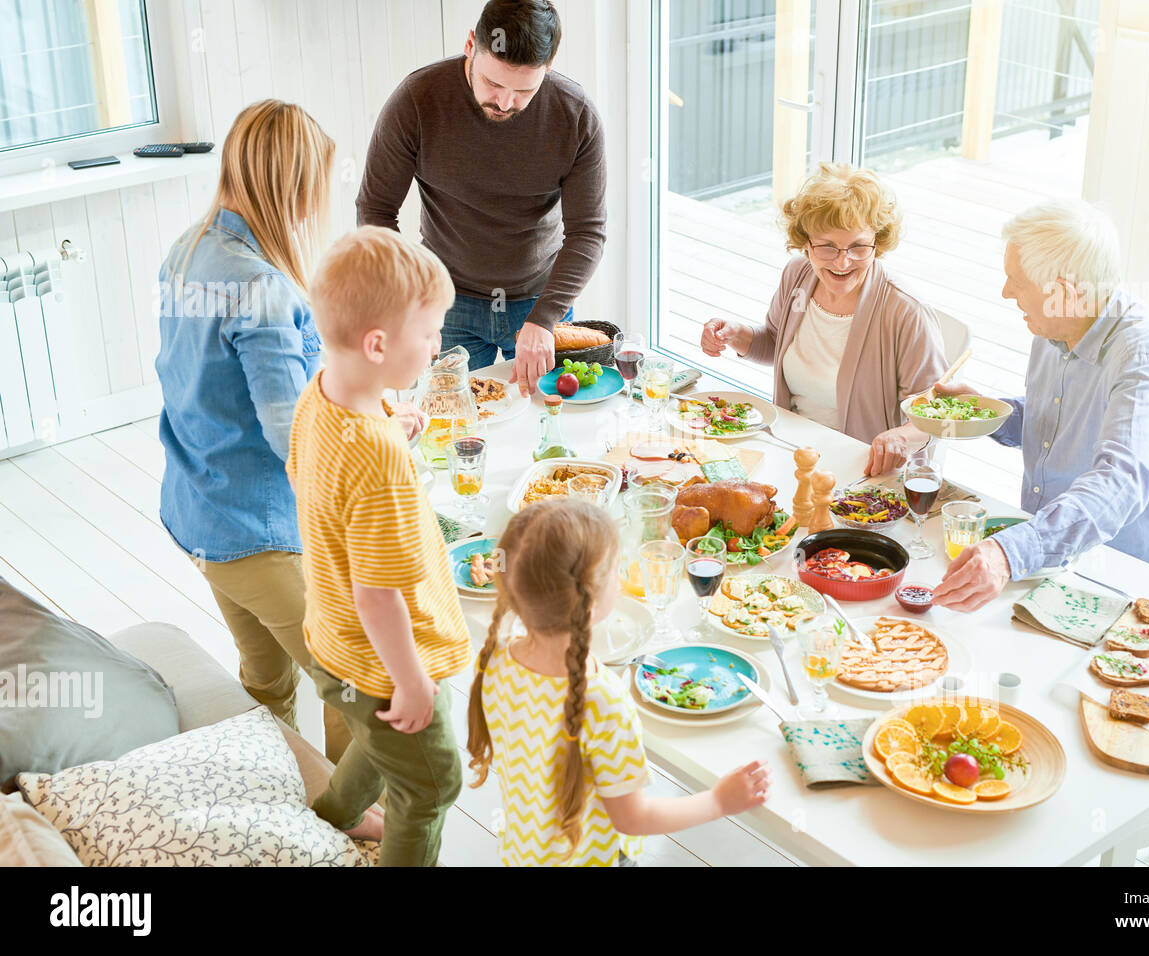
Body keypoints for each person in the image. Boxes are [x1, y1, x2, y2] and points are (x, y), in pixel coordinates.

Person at [155, 100, 425, 764]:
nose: (321, 200)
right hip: (257, 532)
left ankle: (276, 805)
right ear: (291, 185)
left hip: (199, 513)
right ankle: (354, 828)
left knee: (267, 681)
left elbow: (219, 390)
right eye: (318, 184)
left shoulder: (187, 254)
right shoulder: (262, 288)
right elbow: (293, 438)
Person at [287, 226, 472, 866]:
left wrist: (389, 427)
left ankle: (331, 818)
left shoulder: (320, 396)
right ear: (378, 344)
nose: (437, 343)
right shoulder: (377, 455)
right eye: (429, 333)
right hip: (382, 663)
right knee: (431, 783)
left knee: (376, 739)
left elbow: (331, 480)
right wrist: (412, 682)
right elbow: (378, 596)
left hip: (333, 647)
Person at [465, 499, 771, 866]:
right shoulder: (603, 699)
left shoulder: (497, 659)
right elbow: (632, 818)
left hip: (525, 854)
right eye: (614, 571)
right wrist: (719, 800)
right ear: (590, 599)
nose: (620, 578)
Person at [932, 199, 1149, 613]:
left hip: (1127, 583)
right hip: (1049, 561)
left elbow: (1120, 482)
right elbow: (1059, 420)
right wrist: (989, 412)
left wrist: (1010, 553)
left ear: (1063, 293)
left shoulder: (1143, 353)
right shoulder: (1055, 325)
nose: (1006, 293)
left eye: (1017, 283)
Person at [356, 0, 606, 393]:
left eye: (524, 89)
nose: (505, 103)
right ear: (471, 45)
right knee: (453, 430)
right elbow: (376, 209)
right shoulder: (417, 100)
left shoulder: (575, 115)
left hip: (540, 302)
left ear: (550, 65)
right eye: (493, 83)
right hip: (446, 300)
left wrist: (544, 319)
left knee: (546, 425)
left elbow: (588, 232)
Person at [699, 162, 946, 469]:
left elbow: (934, 415)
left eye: (858, 247)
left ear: (877, 242)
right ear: (806, 241)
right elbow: (776, 343)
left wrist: (901, 438)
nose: (843, 262)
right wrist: (736, 334)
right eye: (828, 247)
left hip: (861, 472)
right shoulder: (797, 275)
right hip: (789, 448)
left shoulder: (906, 311)